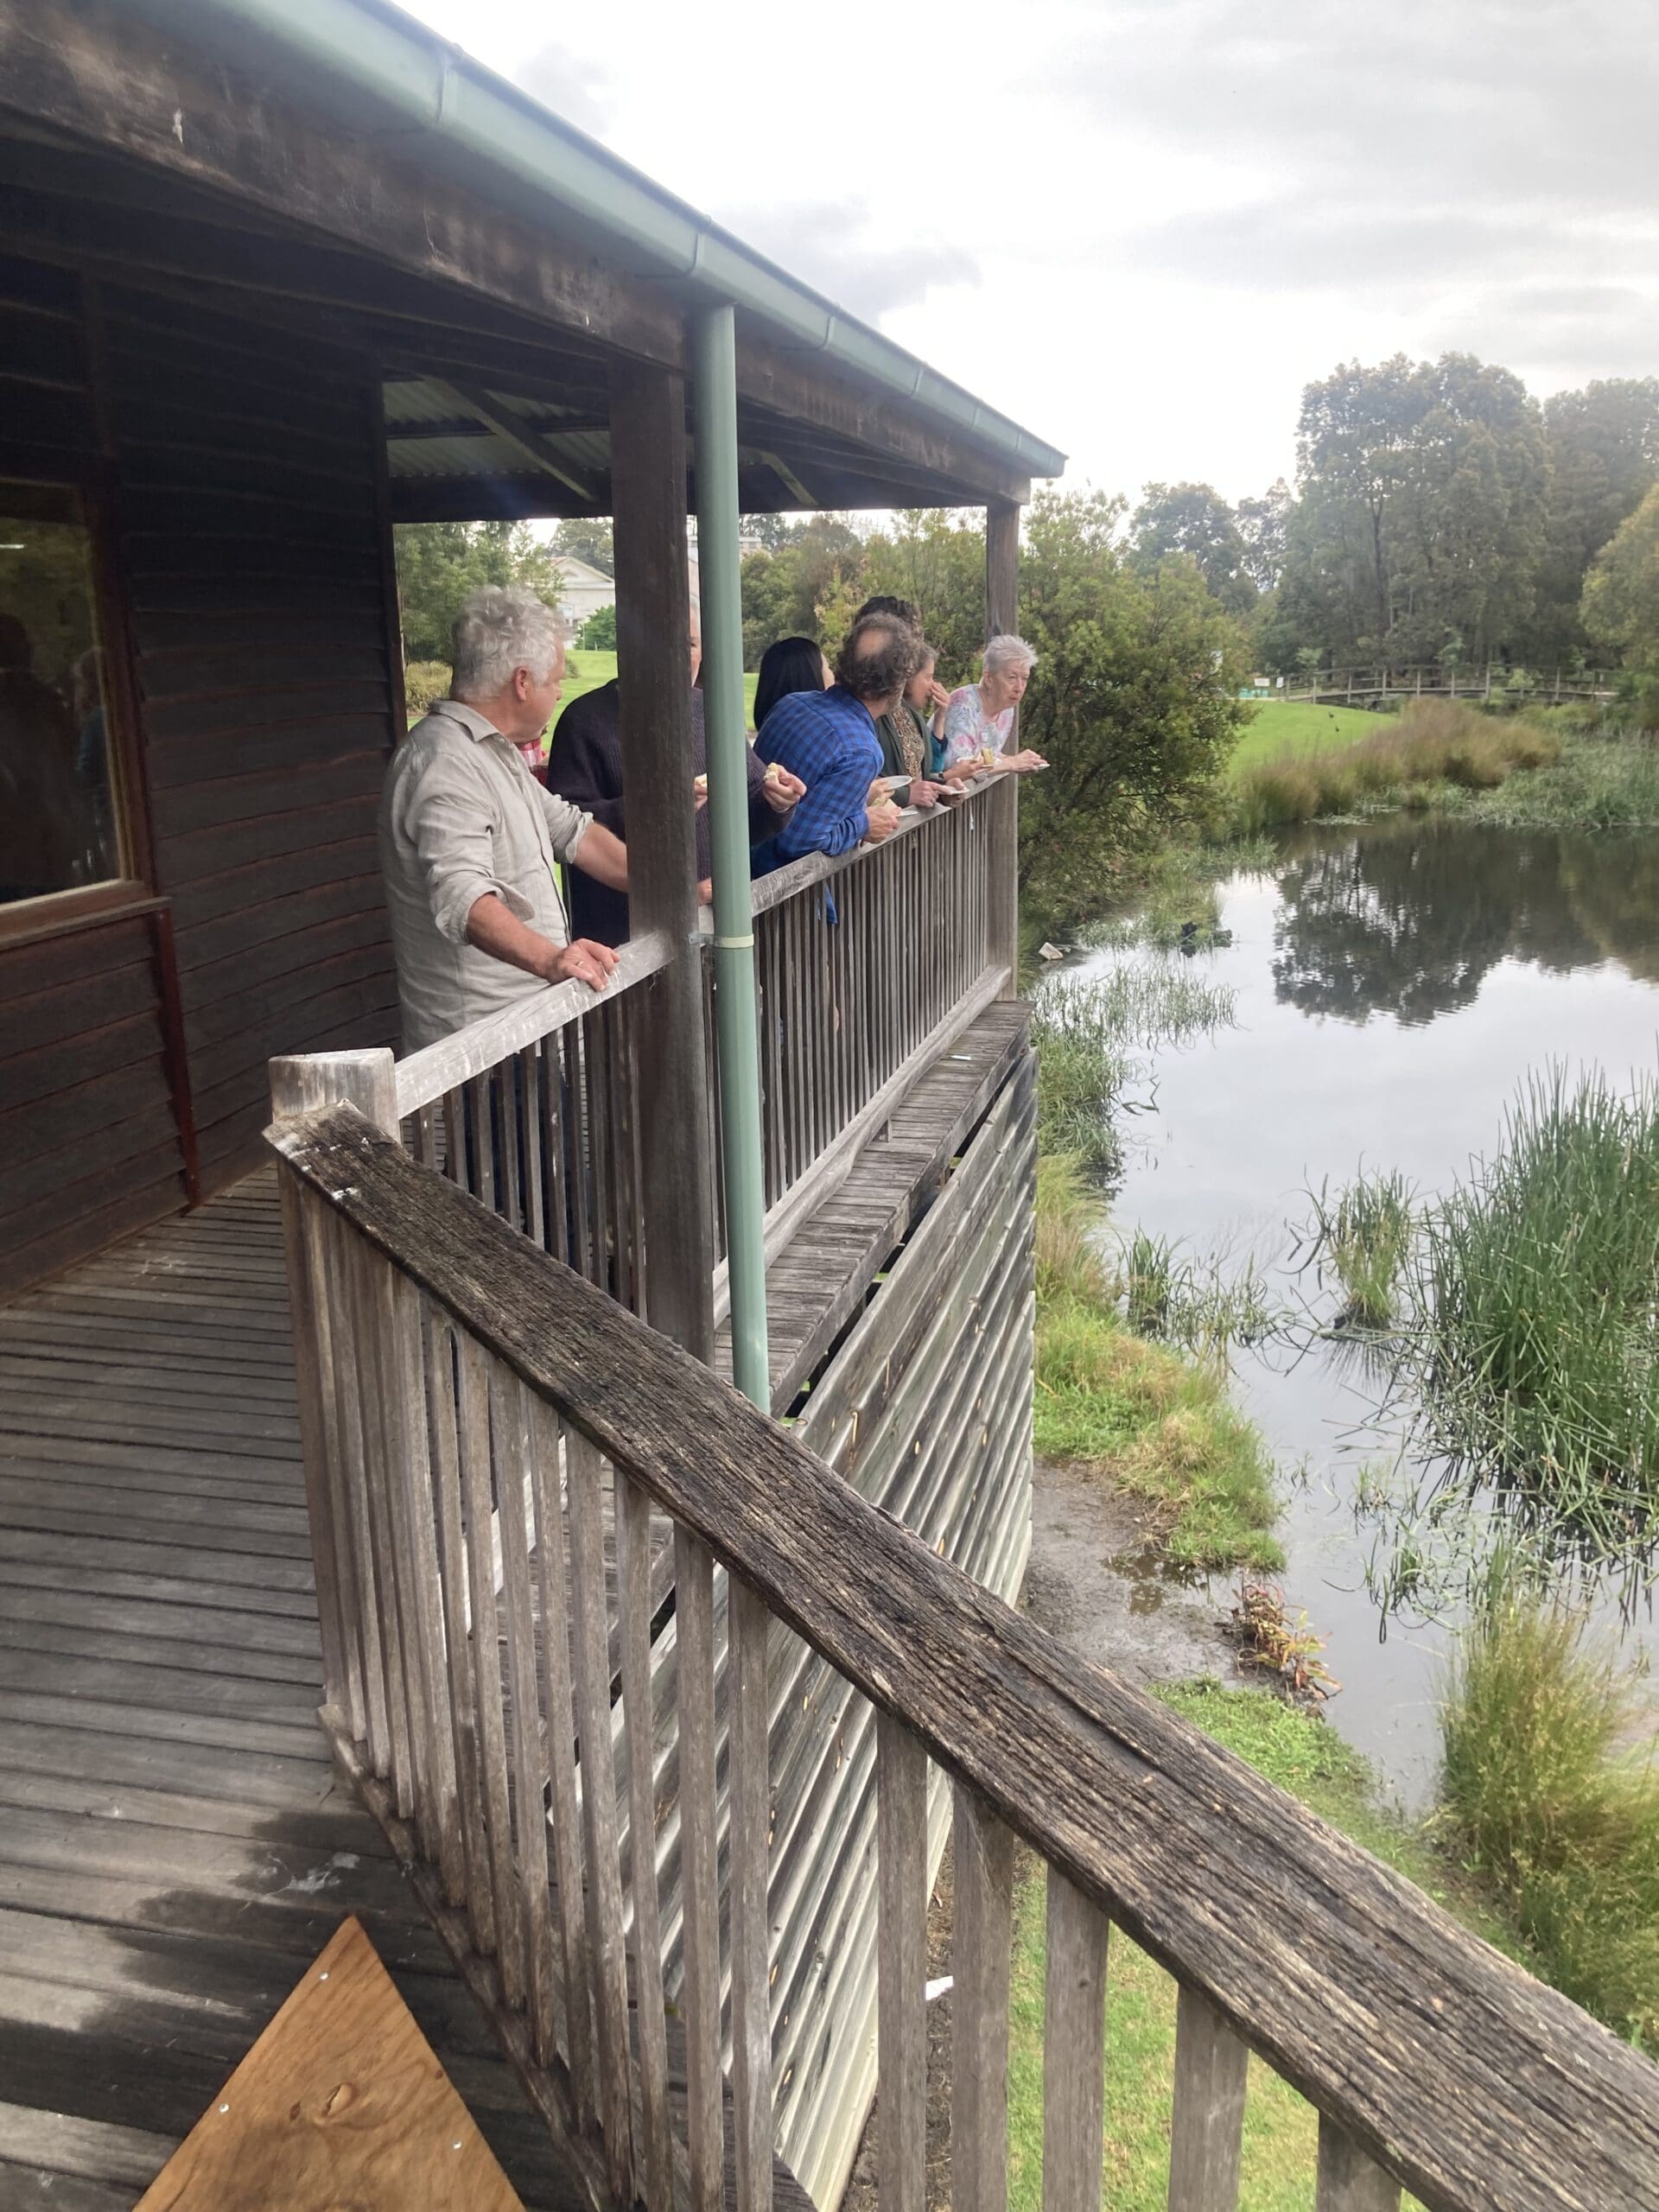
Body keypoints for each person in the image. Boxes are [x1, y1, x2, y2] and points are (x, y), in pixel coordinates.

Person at [379, 585, 632, 1052]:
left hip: (521, 1039)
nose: (559, 692)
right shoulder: (444, 762)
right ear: (522, 682)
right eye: (555, 680)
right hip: (479, 1059)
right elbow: (463, 894)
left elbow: (574, 832)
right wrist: (555, 959)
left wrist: (670, 886)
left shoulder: (494, 754)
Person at [544, 604, 804, 945]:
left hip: (712, 925)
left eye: (690, 645)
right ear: (634, 648)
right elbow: (565, 829)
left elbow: (751, 810)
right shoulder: (585, 722)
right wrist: (656, 809)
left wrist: (778, 803)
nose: (681, 657)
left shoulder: (713, 710)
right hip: (623, 940)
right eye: (666, 644)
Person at [751, 610, 924, 874]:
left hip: (738, 878)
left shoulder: (792, 703)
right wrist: (864, 825)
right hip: (784, 903)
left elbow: (807, 800)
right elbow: (798, 842)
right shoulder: (862, 751)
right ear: (896, 683)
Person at [938, 633, 1048, 779]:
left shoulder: (1007, 708)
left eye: (1025, 679)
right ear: (989, 678)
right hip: (932, 795)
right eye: (1012, 678)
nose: (1019, 688)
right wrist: (1012, 763)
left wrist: (1021, 761)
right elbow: (958, 767)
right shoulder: (963, 705)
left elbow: (988, 755)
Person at [753, 634, 830, 733]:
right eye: (828, 667)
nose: (834, 674)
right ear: (811, 679)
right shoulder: (825, 736)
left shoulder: (772, 732)